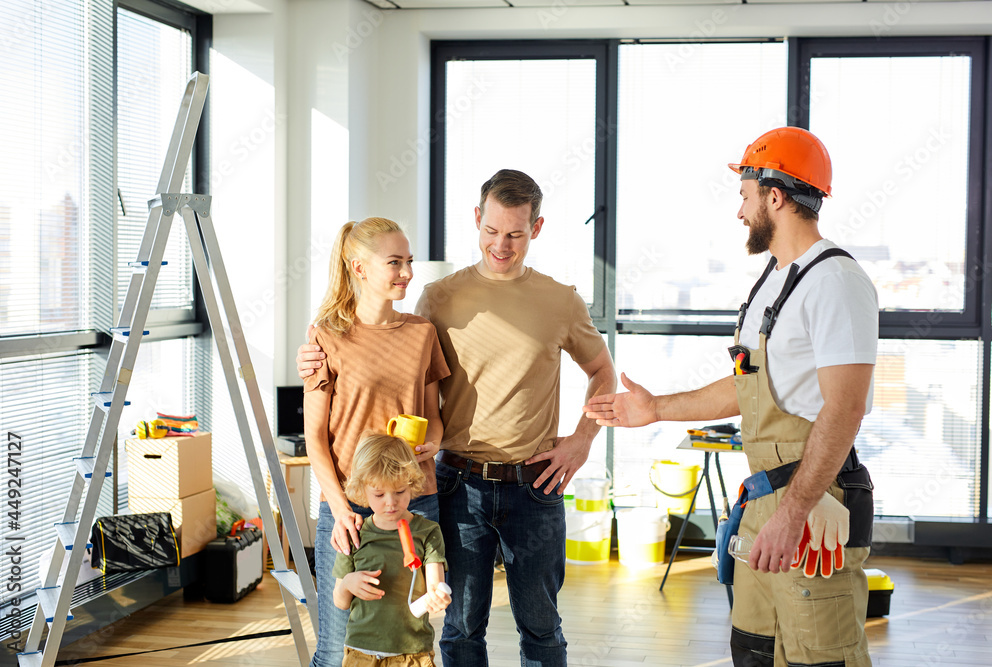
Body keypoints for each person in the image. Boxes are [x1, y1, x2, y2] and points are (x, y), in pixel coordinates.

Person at [299, 169, 616, 667]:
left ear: (536, 229)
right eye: (491, 231)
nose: (501, 244)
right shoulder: (437, 300)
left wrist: (582, 440)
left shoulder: (559, 300)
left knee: (541, 626)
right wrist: (315, 359)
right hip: (457, 486)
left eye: (514, 233)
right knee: (458, 630)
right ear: (476, 220)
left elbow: (602, 372)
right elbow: (354, 383)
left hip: (533, 485)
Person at [585, 127, 877, 667]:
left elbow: (846, 408)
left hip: (815, 505)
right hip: (767, 497)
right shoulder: (772, 280)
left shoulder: (835, 280)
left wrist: (793, 514)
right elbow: (753, 390)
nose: (739, 211)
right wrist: (656, 410)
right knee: (754, 650)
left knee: (819, 656)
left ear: (776, 195)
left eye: (745, 196)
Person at [303, 217, 450, 667]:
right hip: (350, 507)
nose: (407, 272)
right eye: (394, 262)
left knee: (407, 637)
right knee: (337, 644)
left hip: (414, 502)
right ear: (360, 268)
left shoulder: (422, 332)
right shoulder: (326, 335)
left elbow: (435, 421)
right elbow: (314, 436)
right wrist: (342, 509)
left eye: (408, 261)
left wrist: (431, 446)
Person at [333, 433, 450, 667]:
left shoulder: (428, 532)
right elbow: (340, 601)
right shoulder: (354, 534)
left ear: (412, 484)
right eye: (379, 494)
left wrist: (438, 598)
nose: (391, 503)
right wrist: (348, 583)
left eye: (400, 492)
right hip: (360, 652)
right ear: (362, 489)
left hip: (413, 654)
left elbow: (435, 588)